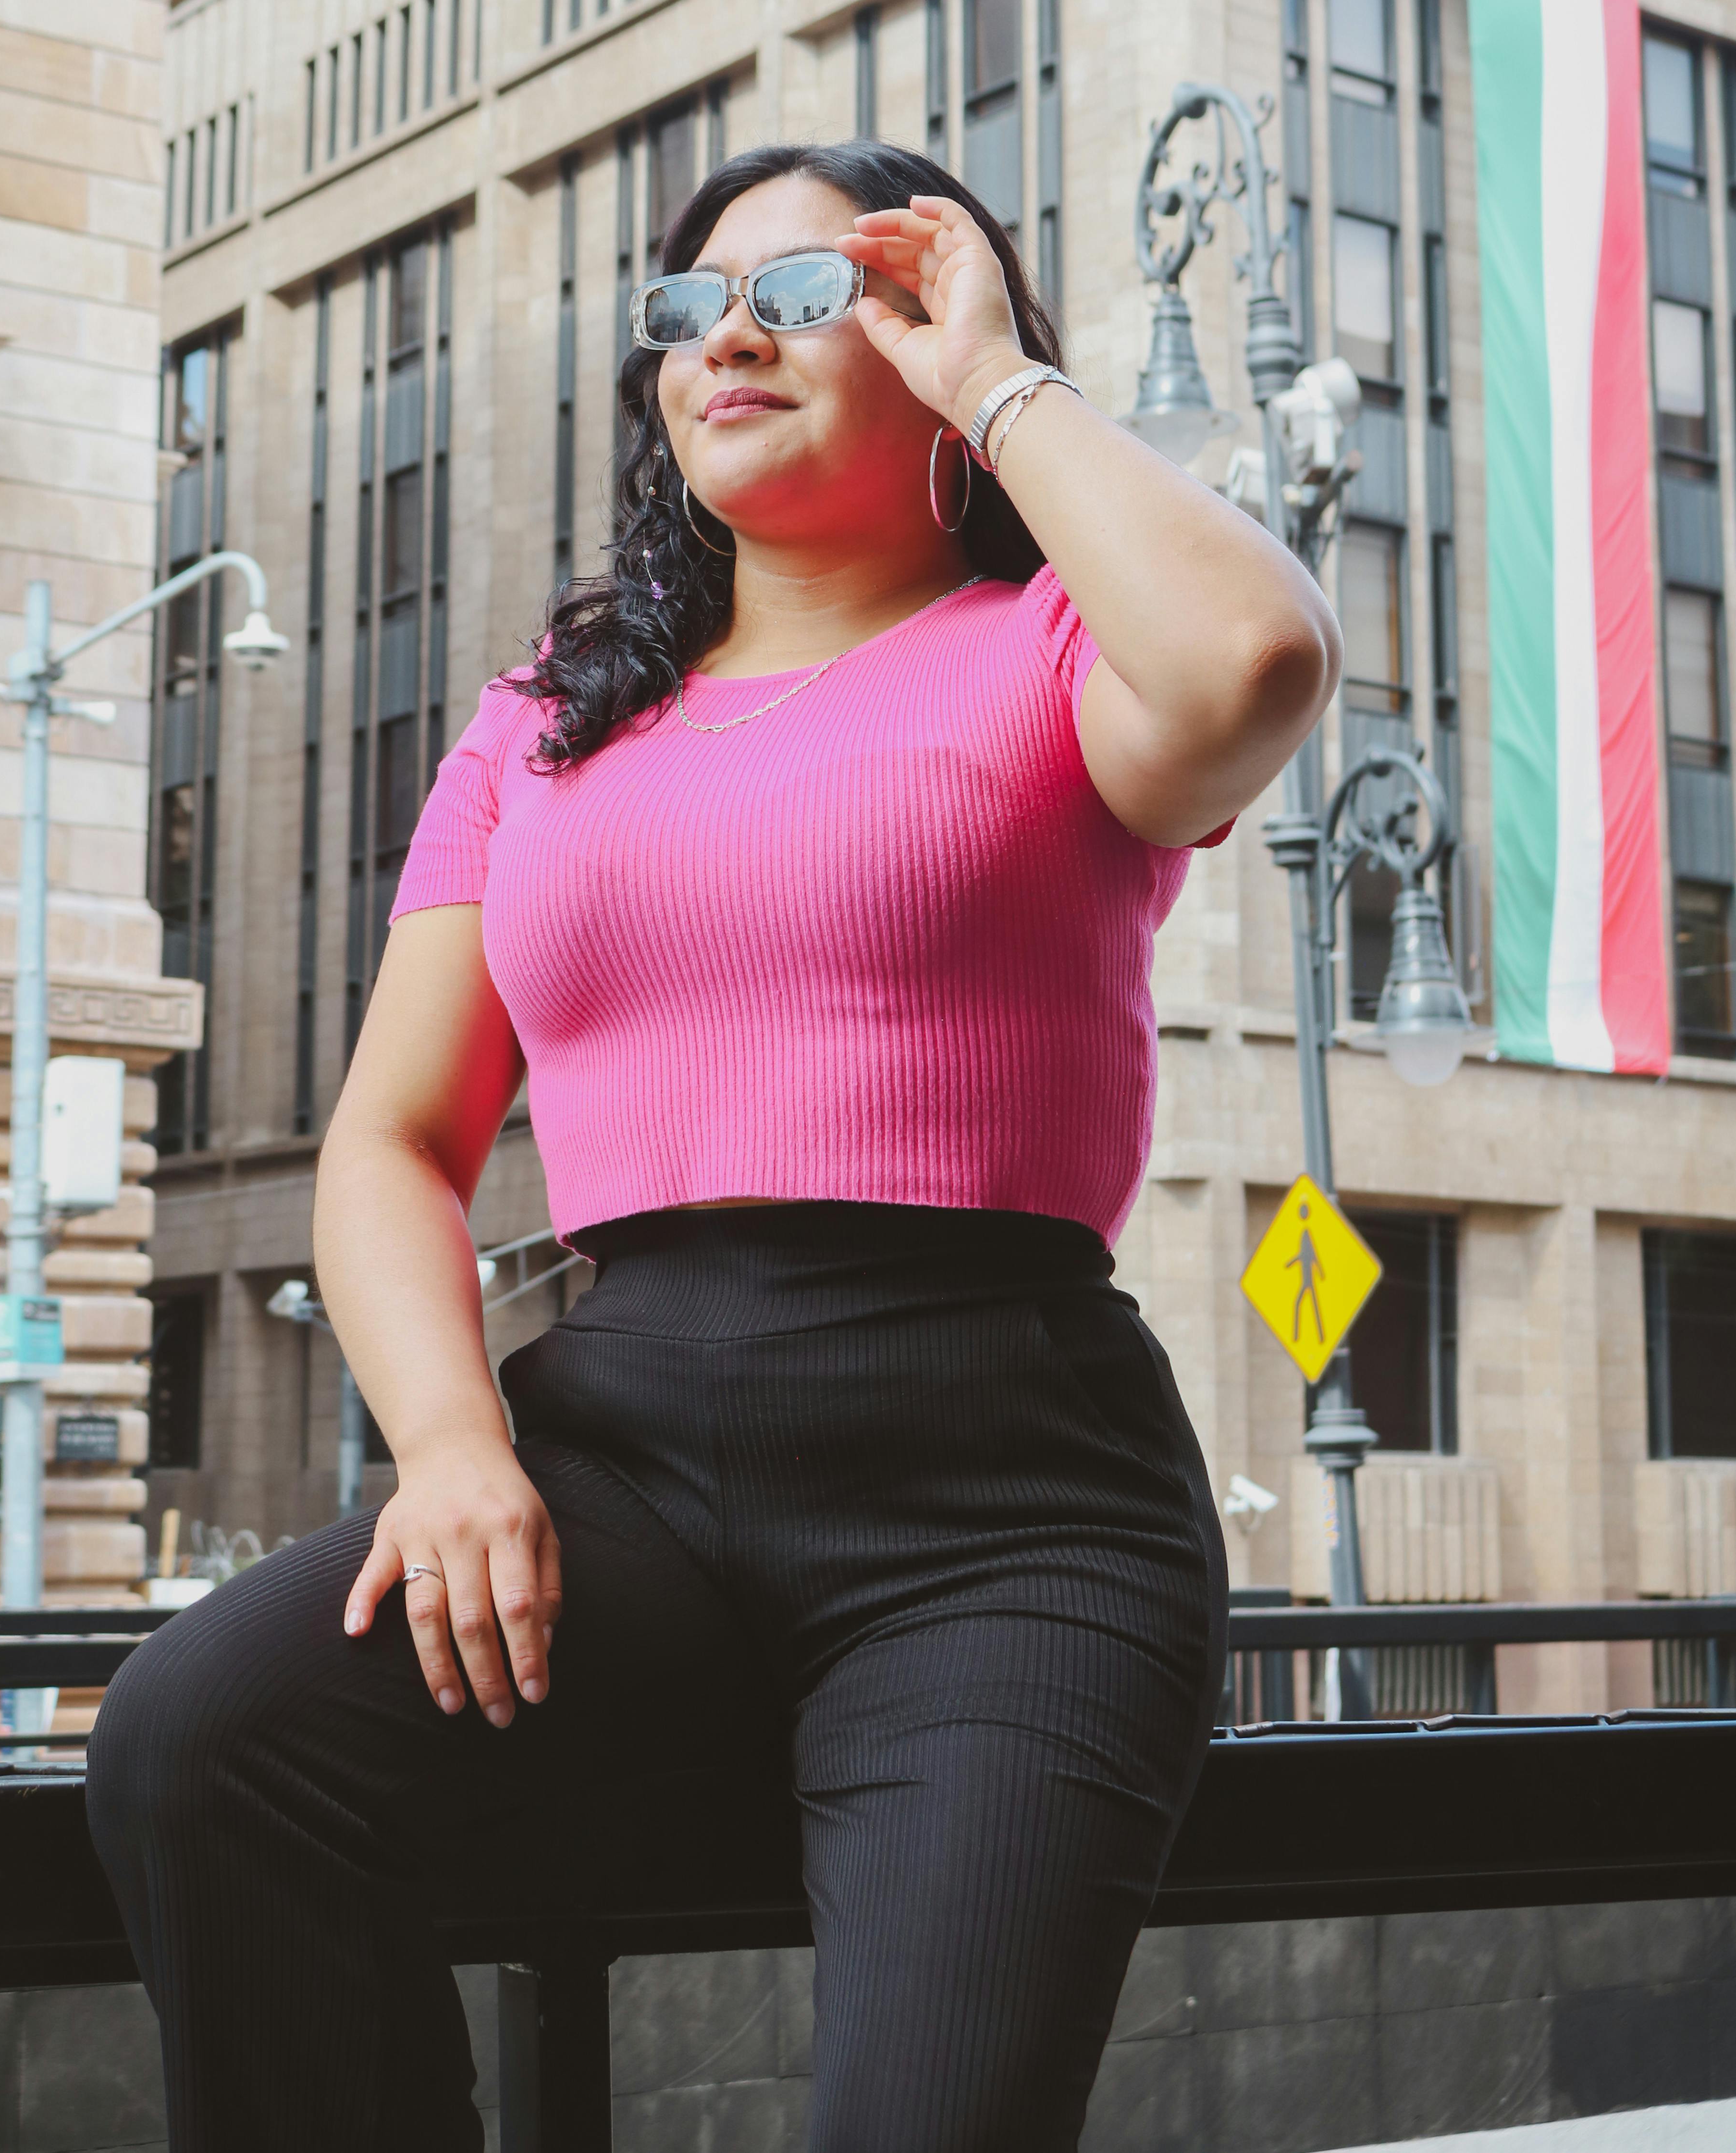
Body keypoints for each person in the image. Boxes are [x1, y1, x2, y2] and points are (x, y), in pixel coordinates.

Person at [89, 139, 1340, 2151]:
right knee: (197, 1745)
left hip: (1003, 1514)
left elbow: (1261, 660)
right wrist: (454, 1451)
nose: (728, 335)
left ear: (931, 338)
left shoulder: (1058, 658)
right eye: (688, 308)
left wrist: (1007, 389)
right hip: (626, 1465)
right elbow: (394, 1144)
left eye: (807, 293)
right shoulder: (546, 725)